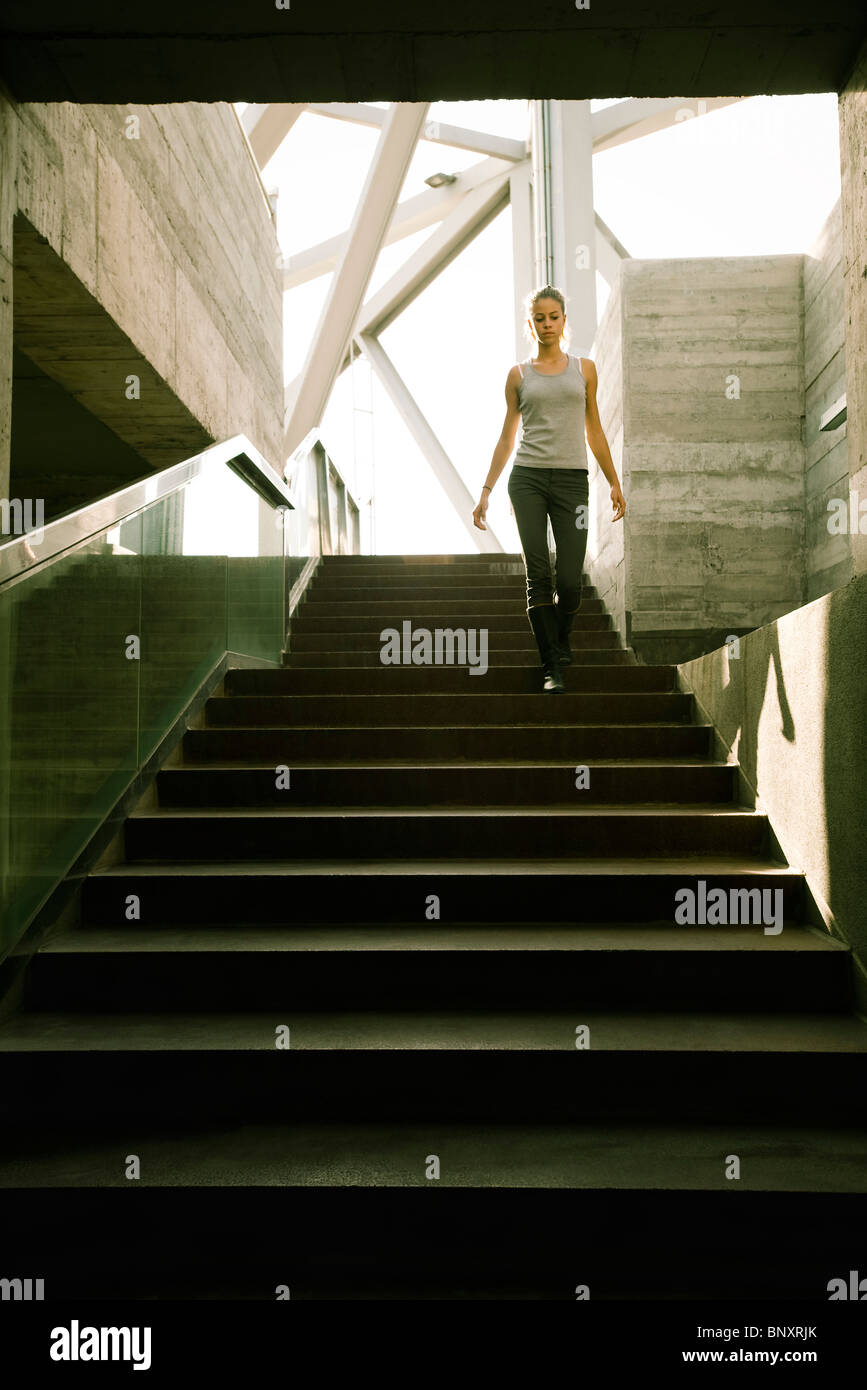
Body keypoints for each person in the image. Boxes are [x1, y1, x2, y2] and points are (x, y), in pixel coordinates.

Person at [473, 285, 626, 692]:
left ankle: (559, 639)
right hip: (527, 479)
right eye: (539, 318)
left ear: (563, 320)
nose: (546, 324)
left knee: (570, 581)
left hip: (573, 482)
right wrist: (487, 489)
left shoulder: (585, 369)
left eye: (553, 317)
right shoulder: (518, 376)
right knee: (538, 574)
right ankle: (551, 667)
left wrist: (613, 481)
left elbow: (593, 429)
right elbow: (508, 437)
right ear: (530, 324)